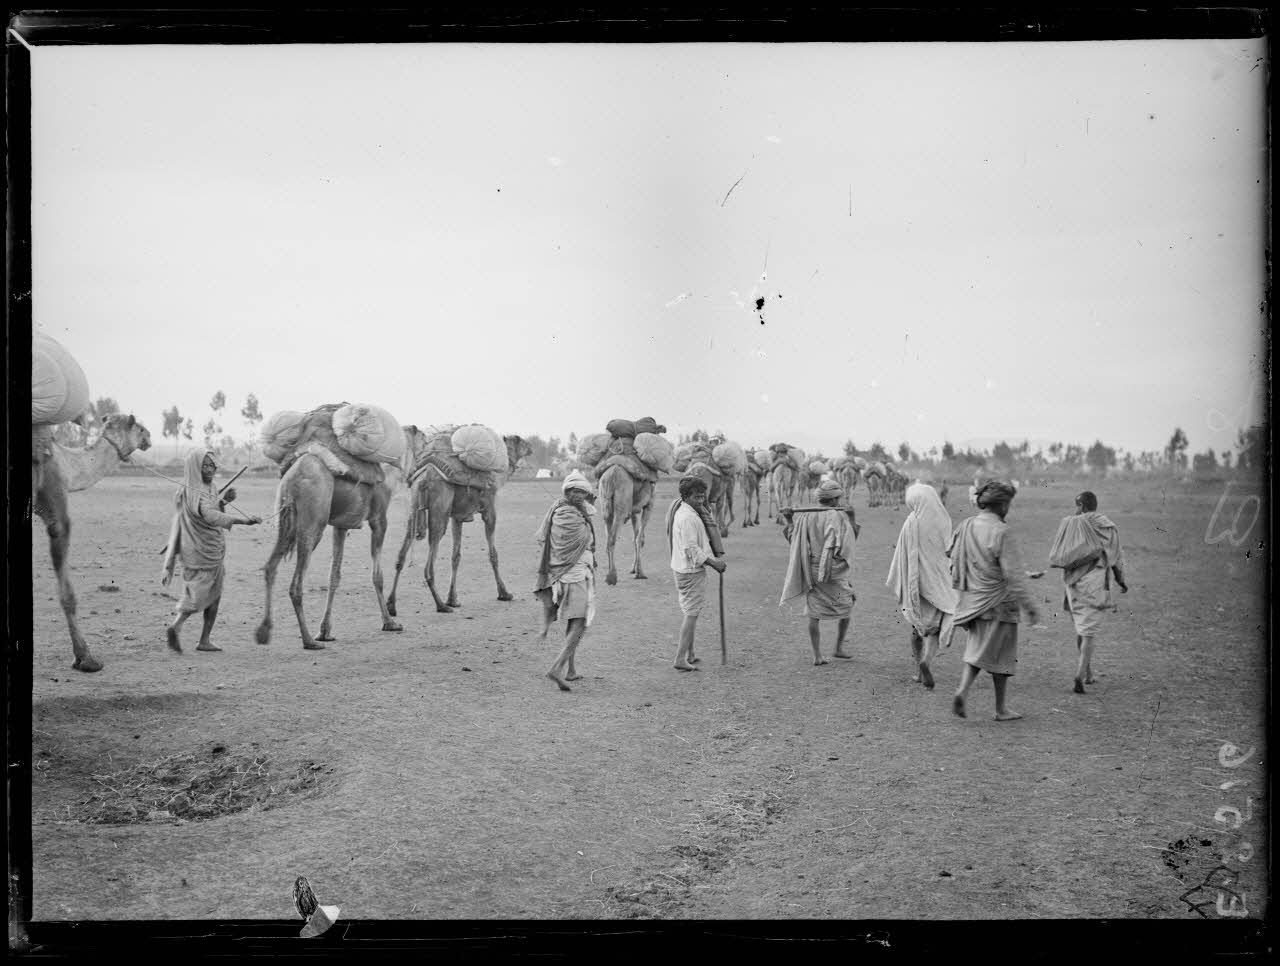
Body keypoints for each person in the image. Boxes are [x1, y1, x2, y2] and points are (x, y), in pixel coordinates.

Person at [947, 480, 1041, 720]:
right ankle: (997, 707)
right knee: (1001, 657)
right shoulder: (1002, 531)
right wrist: (1029, 606)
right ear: (1002, 505)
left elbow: (952, 554)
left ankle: (970, 694)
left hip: (974, 601)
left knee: (978, 650)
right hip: (1000, 602)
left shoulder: (966, 525)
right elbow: (1012, 575)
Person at [162, 450, 261, 653]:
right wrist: (243, 520)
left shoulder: (197, 490)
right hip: (203, 552)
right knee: (202, 594)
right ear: (194, 468)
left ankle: (203, 639)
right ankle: (178, 626)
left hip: (200, 550)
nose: (209, 469)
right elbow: (209, 516)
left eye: (211, 465)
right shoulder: (195, 491)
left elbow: (213, 510)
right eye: (204, 466)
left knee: (208, 593)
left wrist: (224, 502)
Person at [1048, 490, 1128, 694]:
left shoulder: (1071, 524)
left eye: (1077, 506)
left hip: (1072, 583)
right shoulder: (1108, 526)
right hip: (1093, 583)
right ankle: (1080, 674)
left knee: (1081, 628)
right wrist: (1121, 581)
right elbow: (1117, 559)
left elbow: (1062, 554)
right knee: (1089, 631)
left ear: (1081, 506)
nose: (1076, 510)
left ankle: (1088, 673)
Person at [779, 478, 859, 666]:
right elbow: (850, 542)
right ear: (834, 500)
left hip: (813, 570)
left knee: (813, 613)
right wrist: (852, 518)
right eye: (838, 498)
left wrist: (789, 519)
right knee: (847, 605)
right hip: (834, 571)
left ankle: (817, 655)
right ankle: (838, 647)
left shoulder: (806, 516)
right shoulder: (838, 516)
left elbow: (795, 540)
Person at [886, 481, 958, 689]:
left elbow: (902, 554)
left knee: (916, 628)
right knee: (934, 630)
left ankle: (919, 669)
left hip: (917, 585)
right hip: (939, 584)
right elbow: (948, 549)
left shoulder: (911, 522)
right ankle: (927, 661)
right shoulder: (944, 518)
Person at [534, 470, 598, 692]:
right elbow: (582, 538)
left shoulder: (563, 510)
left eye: (583, 492)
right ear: (567, 492)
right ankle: (556, 668)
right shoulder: (569, 515)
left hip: (570, 574)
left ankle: (571, 669)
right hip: (574, 575)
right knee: (579, 624)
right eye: (575, 491)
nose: (579, 495)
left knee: (573, 621)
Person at [666, 475, 727, 671]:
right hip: (690, 570)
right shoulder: (687, 518)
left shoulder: (689, 512)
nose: (701, 501)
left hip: (685, 568)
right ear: (685, 496)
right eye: (696, 497)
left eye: (702, 497)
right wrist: (714, 563)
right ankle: (680, 658)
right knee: (691, 614)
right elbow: (691, 549)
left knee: (691, 611)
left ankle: (690, 653)